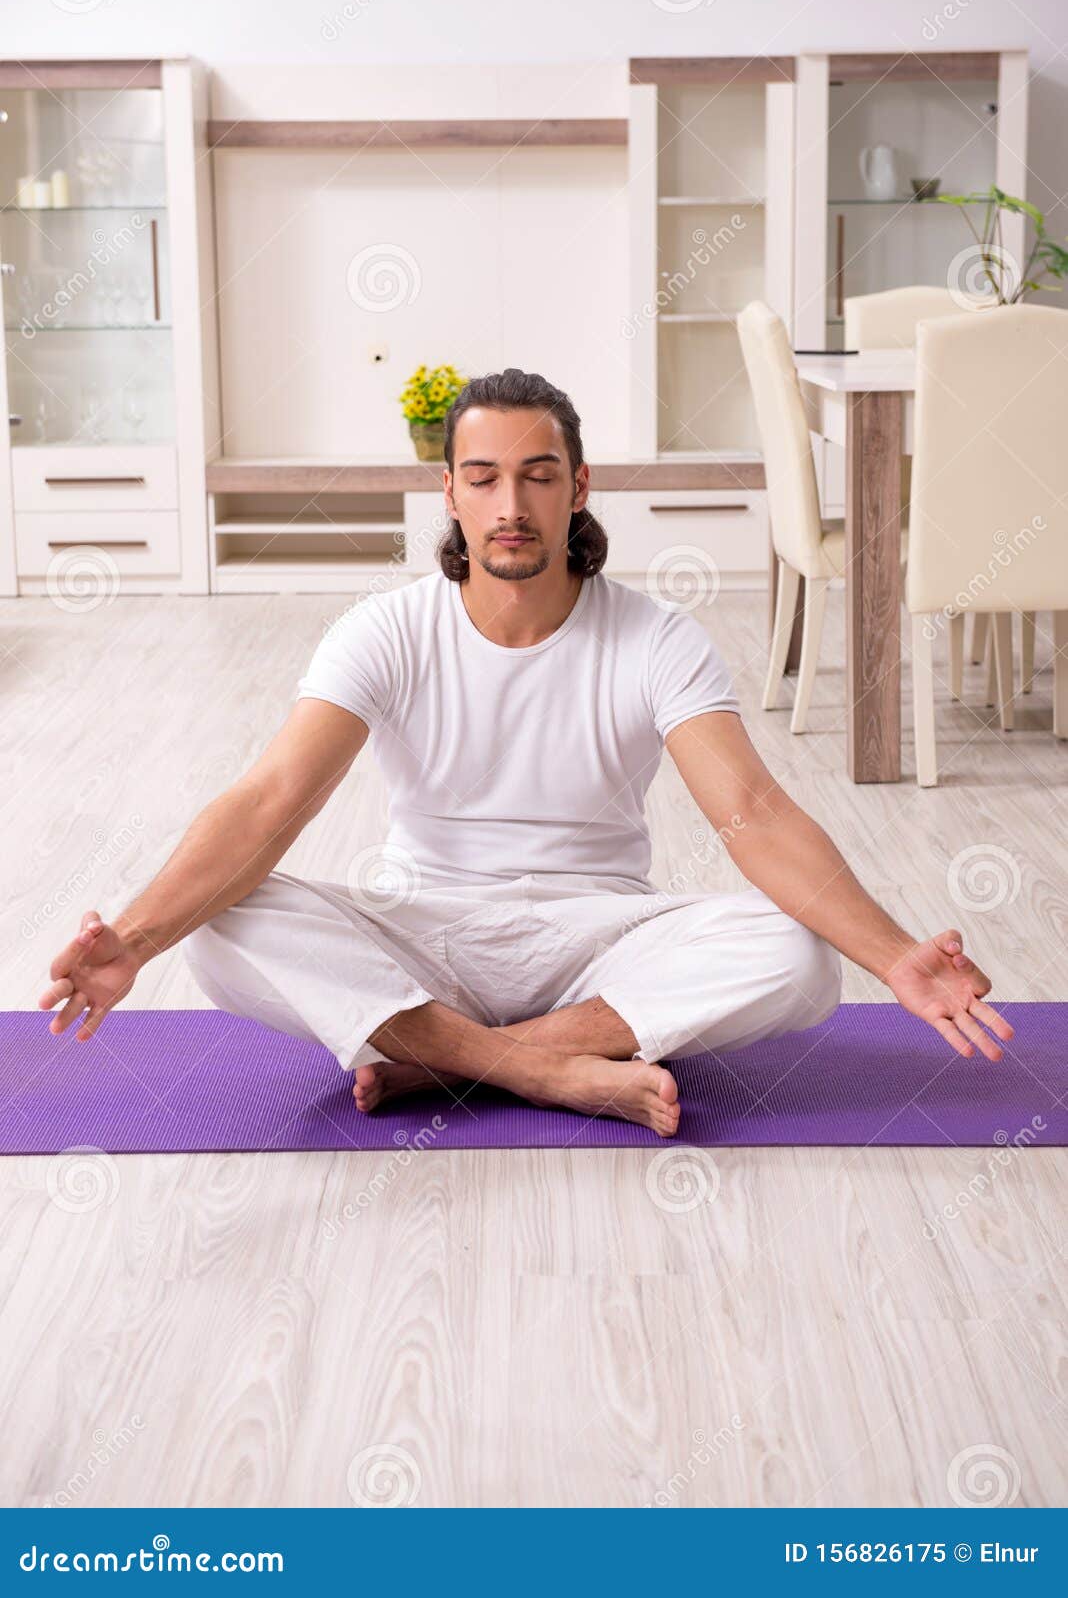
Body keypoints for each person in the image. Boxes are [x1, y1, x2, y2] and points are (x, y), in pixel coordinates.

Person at [39, 369, 1014, 1138]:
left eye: (539, 476)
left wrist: (895, 955)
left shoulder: (656, 638)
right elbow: (268, 803)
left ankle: (453, 1061)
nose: (512, 502)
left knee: (801, 955)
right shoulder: (385, 631)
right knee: (222, 924)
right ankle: (543, 1071)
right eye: (484, 478)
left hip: (598, 943)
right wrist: (137, 939)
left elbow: (751, 813)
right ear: (451, 494)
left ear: (578, 488)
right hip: (427, 933)